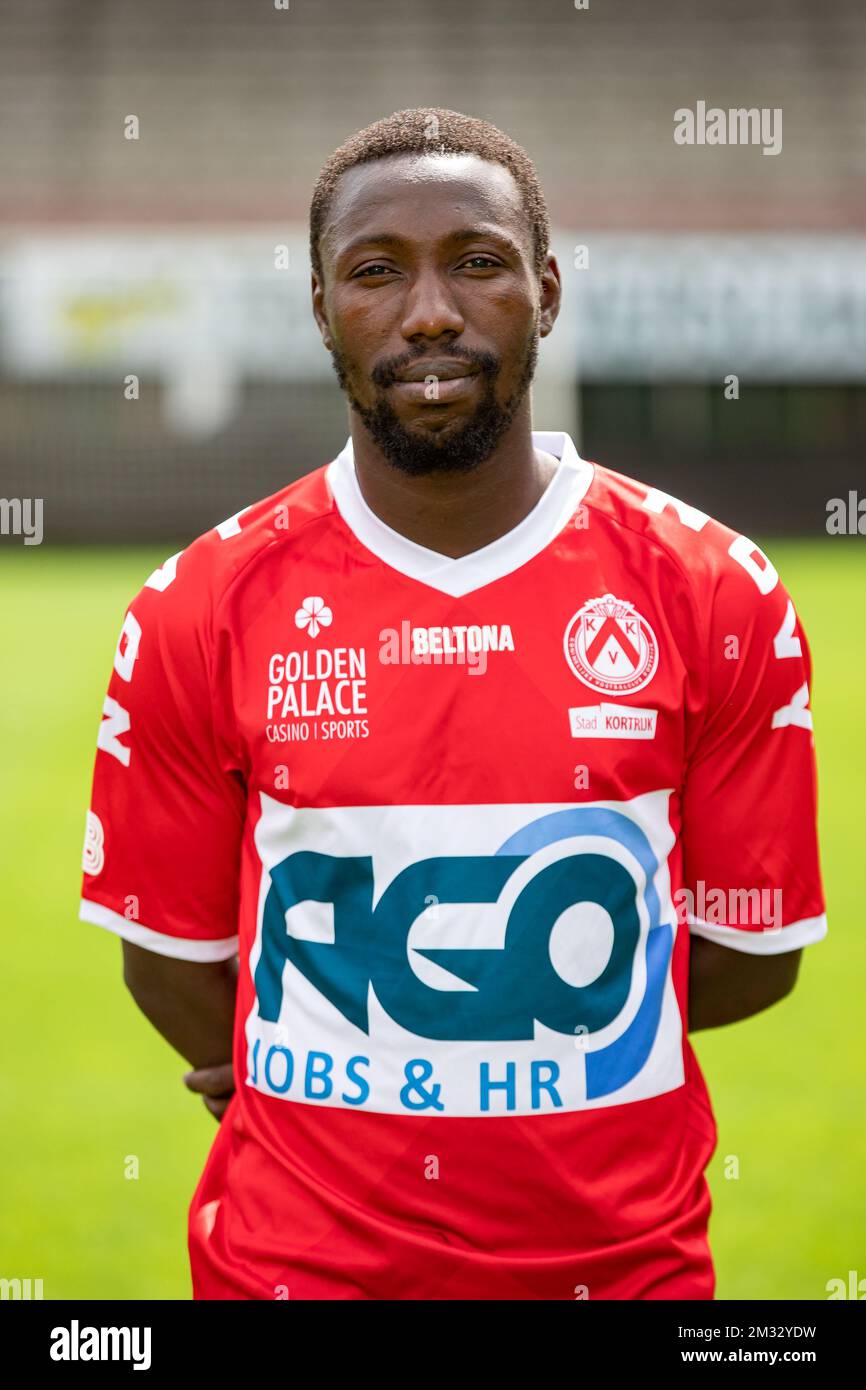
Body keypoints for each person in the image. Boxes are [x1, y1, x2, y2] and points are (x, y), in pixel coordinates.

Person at [80, 108, 828, 1300]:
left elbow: (747, 949)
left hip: (622, 1271)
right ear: (322, 311)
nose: (429, 311)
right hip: (294, 1273)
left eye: (476, 262)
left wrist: (495, 1035)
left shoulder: (711, 589)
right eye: (374, 272)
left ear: (544, 289)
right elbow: (170, 961)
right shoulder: (197, 605)